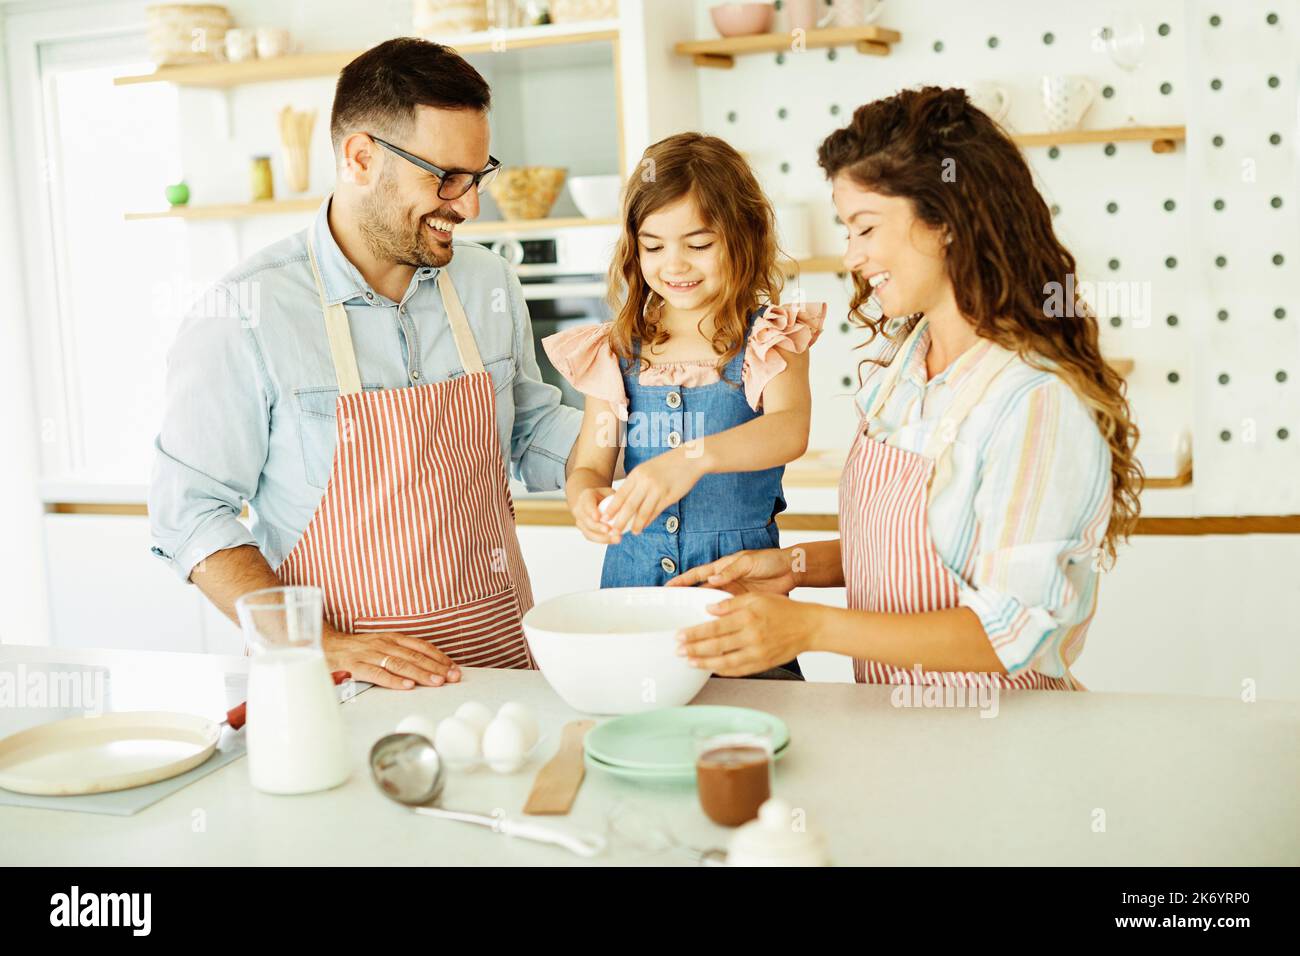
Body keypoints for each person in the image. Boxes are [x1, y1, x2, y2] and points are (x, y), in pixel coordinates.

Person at [669, 87, 1142, 690]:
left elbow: (1016, 628)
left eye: (864, 229)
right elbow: (911, 549)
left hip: (1004, 750)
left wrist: (810, 628)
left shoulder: (1032, 398)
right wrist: (790, 569)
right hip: (902, 734)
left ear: (945, 221)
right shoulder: (908, 364)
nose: (851, 257)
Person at [148, 39, 580, 689]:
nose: (469, 206)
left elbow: (528, 430)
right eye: (445, 178)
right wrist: (315, 643)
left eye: (477, 176)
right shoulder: (244, 313)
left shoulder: (489, 281)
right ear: (360, 158)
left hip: (498, 673)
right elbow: (189, 513)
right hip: (335, 691)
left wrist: (647, 442)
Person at [543, 134, 824, 678]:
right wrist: (584, 499)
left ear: (742, 236)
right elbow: (589, 464)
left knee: (749, 726)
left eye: (698, 244)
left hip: (737, 591)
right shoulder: (616, 348)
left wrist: (689, 458)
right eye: (653, 246)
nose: (675, 264)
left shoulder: (768, 338)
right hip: (632, 594)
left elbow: (790, 429)